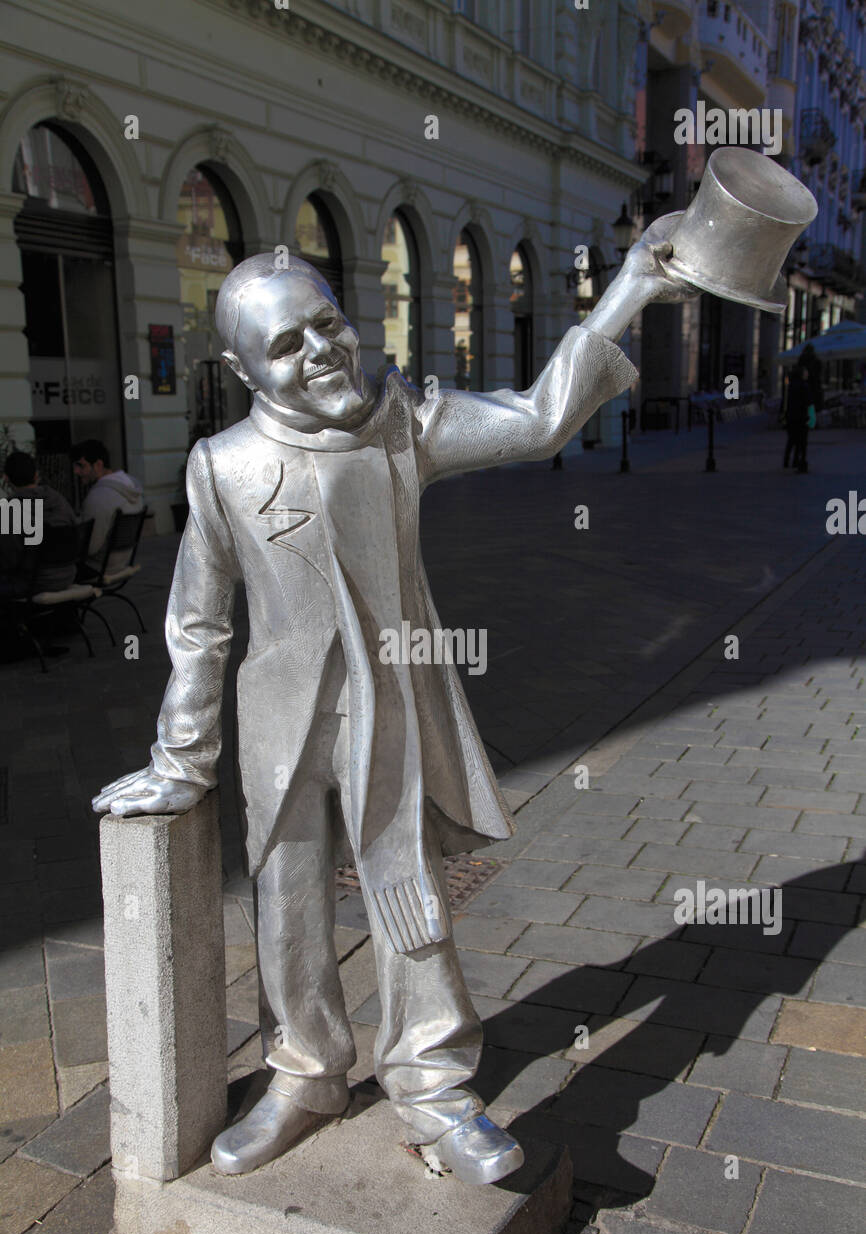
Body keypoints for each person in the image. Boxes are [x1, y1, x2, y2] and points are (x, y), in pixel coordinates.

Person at [92, 217, 698, 1183]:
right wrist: (181, 761)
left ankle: (434, 1087)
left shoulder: (403, 425)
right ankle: (304, 1075)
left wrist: (627, 285)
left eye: (326, 323)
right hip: (280, 728)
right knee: (286, 904)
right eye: (285, 346)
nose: (320, 351)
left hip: (393, 714)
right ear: (247, 375)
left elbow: (542, 418)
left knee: (408, 892)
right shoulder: (221, 467)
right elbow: (198, 628)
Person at [1, 451, 77, 595]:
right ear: (36, 476)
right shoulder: (59, 501)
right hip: (67, 576)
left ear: (6, 478)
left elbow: (9, 560)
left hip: (33, 584)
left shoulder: (9, 511)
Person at [72, 440, 144, 568]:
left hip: (100, 564)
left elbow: (89, 547)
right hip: (123, 560)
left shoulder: (99, 496)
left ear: (98, 465)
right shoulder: (131, 488)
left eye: (81, 466)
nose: (76, 471)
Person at [783, 365, 810, 473]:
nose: (807, 374)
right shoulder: (804, 386)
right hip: (801, 417)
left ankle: (787, 461)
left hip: (791, 416)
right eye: (805, 372)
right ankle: (800, 462)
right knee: (802, 442)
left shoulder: (790, 386)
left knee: (792, 439)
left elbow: (786, 402)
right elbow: (807, 402)